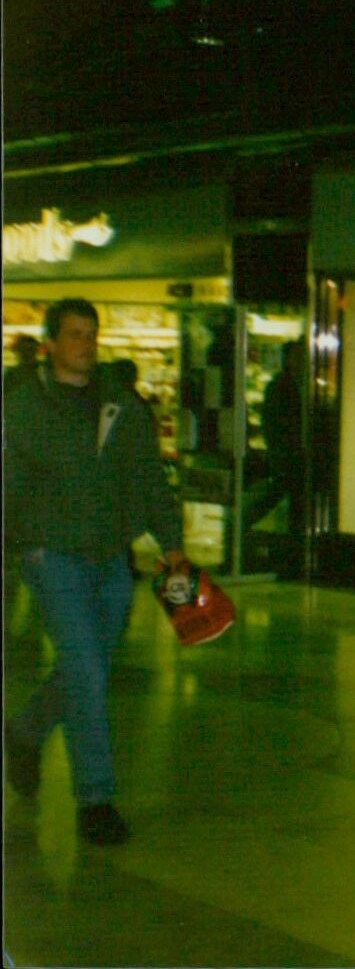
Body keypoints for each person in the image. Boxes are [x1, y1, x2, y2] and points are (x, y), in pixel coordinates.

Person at [3, 298, 186, 845]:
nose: (86, 344)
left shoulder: (120, 405)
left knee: (88, 670)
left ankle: (25, 732)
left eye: (91, 334)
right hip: (51, 554)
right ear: (50, 344)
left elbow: (148, 477)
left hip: (110, 558)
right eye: (75, 334)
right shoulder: (23, 408)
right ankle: (95, 798)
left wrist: (172, 544)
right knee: (84, 670)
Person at [246, 340, 305, 529]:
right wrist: (280, 451)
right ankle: (247, 523)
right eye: (297, 355)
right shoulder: (280, 386)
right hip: (287, 454)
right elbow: (273, 422)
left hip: (291, 454)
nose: (302, 359)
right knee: (280, 495)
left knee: (284, 496)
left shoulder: (298, 383)